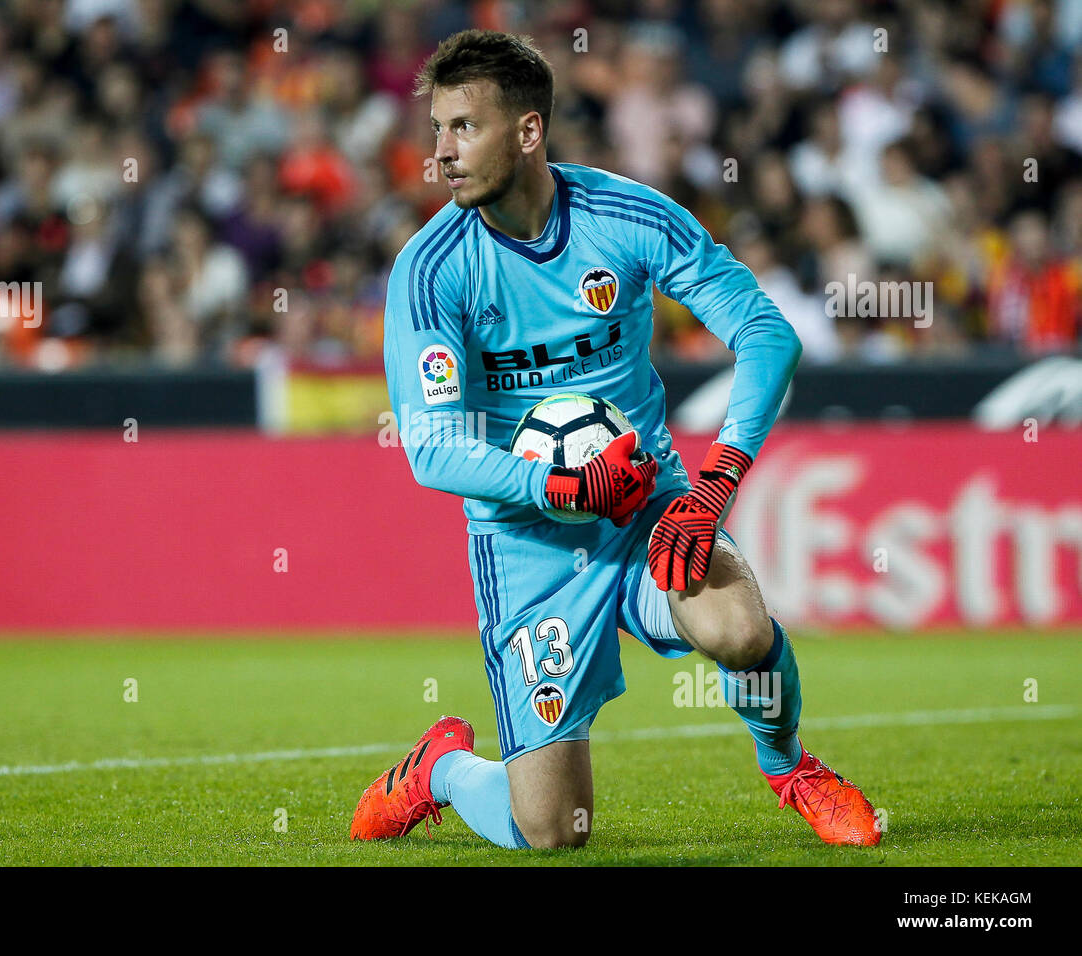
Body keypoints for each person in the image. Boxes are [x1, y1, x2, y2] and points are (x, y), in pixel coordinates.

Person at [350, 30, 879, 850]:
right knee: (553, 831)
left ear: (528, 131)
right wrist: (558, 489)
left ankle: (792, 770)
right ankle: (442, 770)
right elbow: (431, 447)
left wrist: (710, 491)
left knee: (739, 627)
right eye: (437, 130)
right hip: (525, 544)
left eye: (463, 128)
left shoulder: (625, 217)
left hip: (647, 511)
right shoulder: (431, 269)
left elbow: (768, 336)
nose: (441, 153)